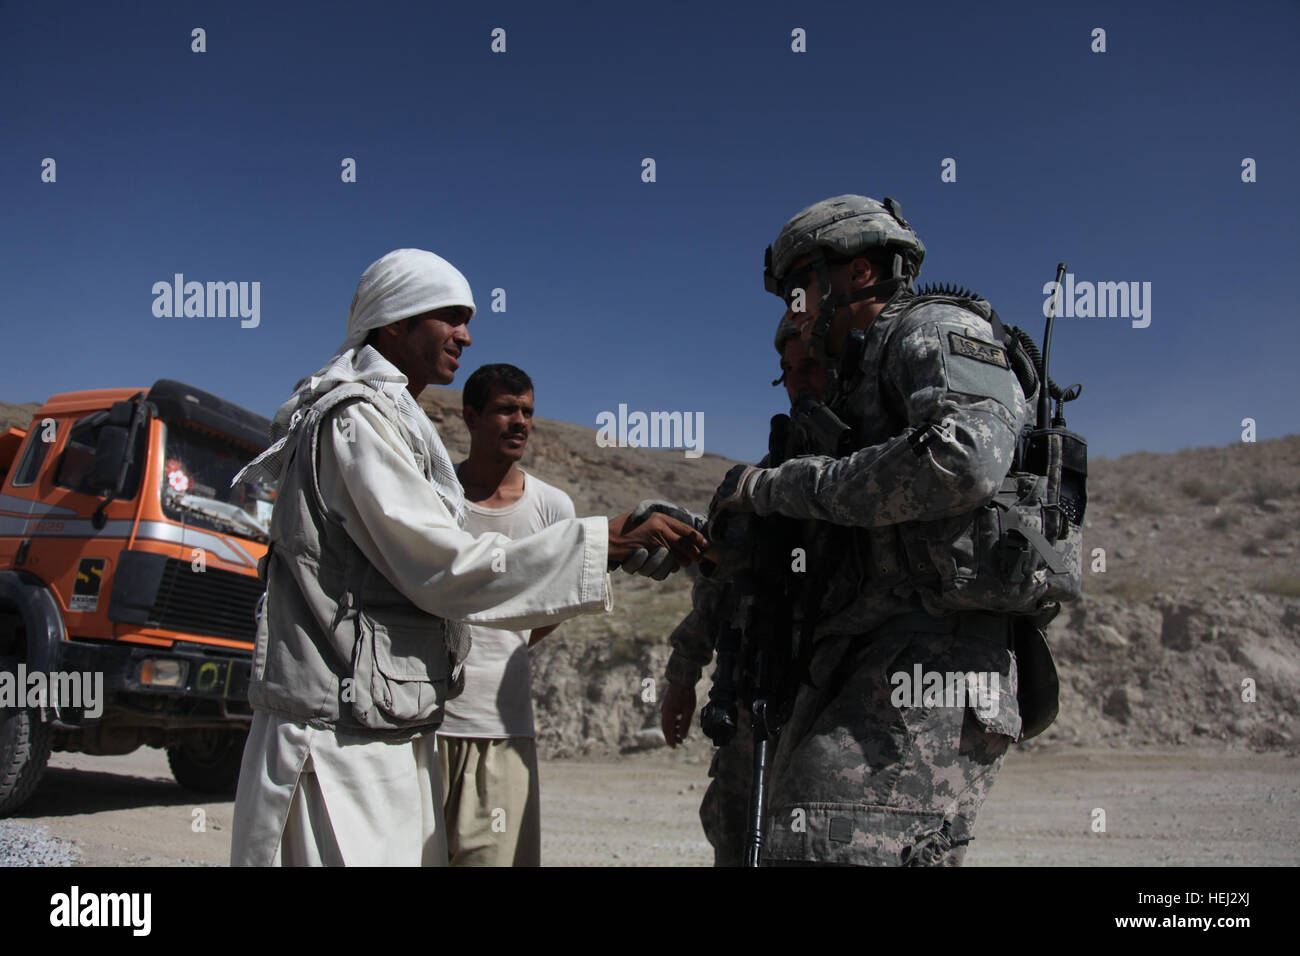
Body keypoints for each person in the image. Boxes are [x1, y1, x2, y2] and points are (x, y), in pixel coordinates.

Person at [228, 248, 705, 866]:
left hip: (378, 735)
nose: (466, 334)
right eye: (449, 317)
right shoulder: (355, 422)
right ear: (395, 322)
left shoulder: (393, 419)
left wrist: (603, 547)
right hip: (332, 749)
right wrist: (605, 540)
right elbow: (442, 568)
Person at [705, 195, 1035, 866]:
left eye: (798, 291)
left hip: (934, 660)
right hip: (867, 653)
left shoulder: (931, 329)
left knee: (826, 848)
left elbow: (964, 459)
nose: (790, 313)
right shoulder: (863, 369)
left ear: (856, 274)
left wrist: (779, 487)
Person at [660, 317, 828, 866]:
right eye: (788, 373)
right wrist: (682, 679)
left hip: (831, 703)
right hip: (753, 688)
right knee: (736, 838)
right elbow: (715, 589)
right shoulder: (756, 487)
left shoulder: (871, 478)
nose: (800, 383)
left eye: (812, 368)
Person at [436, 363, 569, 866]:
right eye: (505, 410)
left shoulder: (552, 508)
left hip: (501, 727)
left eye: (527, 412)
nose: (520, 422)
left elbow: (558, 602)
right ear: (470, 417)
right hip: (421, 726)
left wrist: (503, 639)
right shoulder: (433, 495)